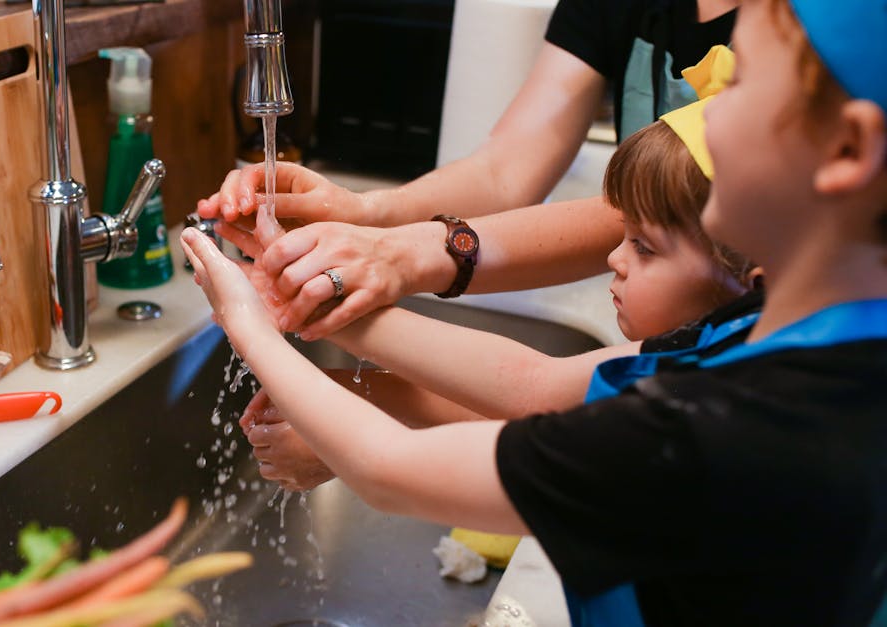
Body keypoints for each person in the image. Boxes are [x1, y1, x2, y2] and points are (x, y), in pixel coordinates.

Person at [180, 0, 887, 622]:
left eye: (739, 83)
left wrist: (247, 318)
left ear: (849, 149)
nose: (701, 107)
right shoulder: (762, 337)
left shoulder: (727, 427)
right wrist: (315, 292)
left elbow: (387, 467)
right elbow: (534, 387)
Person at [237, 60, 758, 490]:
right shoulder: (719, 343)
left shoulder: (724, 375)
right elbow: (537, 404)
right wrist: (354, 395)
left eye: (644, 247)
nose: (613, 258)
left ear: (751, 278)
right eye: (622, 233)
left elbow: (533, 394)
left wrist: (312, 308)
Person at [197, 0, 742, 339]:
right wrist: (365, 211)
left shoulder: (802, 32)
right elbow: (507, 169)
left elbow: (679, 215)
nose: (618, 255)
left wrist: (413, 253)